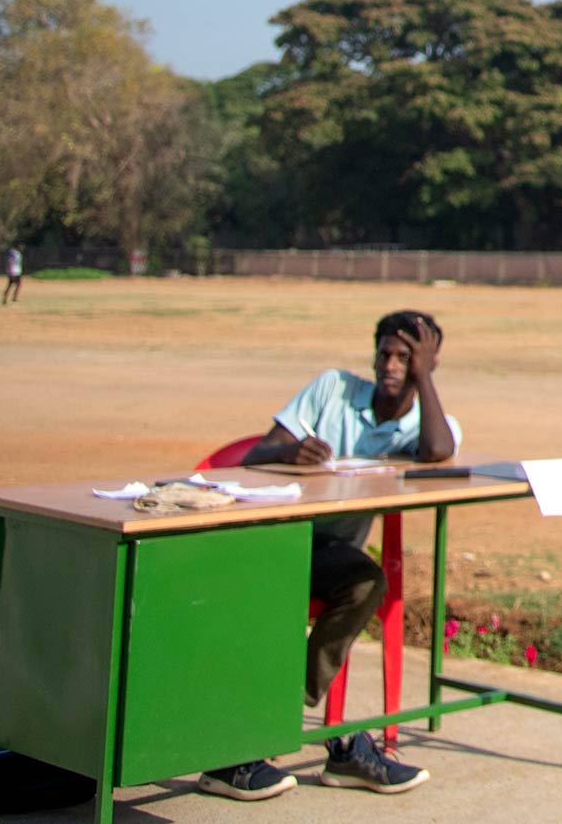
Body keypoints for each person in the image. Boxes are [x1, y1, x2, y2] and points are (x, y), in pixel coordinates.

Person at [195, 311, 459, 799]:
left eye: (407, 357)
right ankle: (240, 742)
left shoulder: (430, 420)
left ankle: (280, 711)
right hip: (271, 537)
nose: (392, 366)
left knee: (365, 582)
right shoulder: (332, 388)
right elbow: (259, 451)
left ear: (429, 363)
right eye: (385, 353)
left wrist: (424, 380)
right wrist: (289, 454)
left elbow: (438, 451)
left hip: (327, 550)